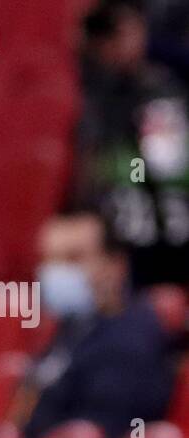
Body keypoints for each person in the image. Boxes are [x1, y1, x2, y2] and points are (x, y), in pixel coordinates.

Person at [16, 210, 176, 438]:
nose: (55, 271)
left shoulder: (131, 344)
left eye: (73, 259)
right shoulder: (75, 326)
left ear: (116, 265)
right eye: (49, 259)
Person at [73, 0, 189, 288]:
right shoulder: (96, 95)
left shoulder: (159, 89)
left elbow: (168, 165)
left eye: (134, 32)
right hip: (124, 225)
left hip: (164, 224)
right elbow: (95, 170)